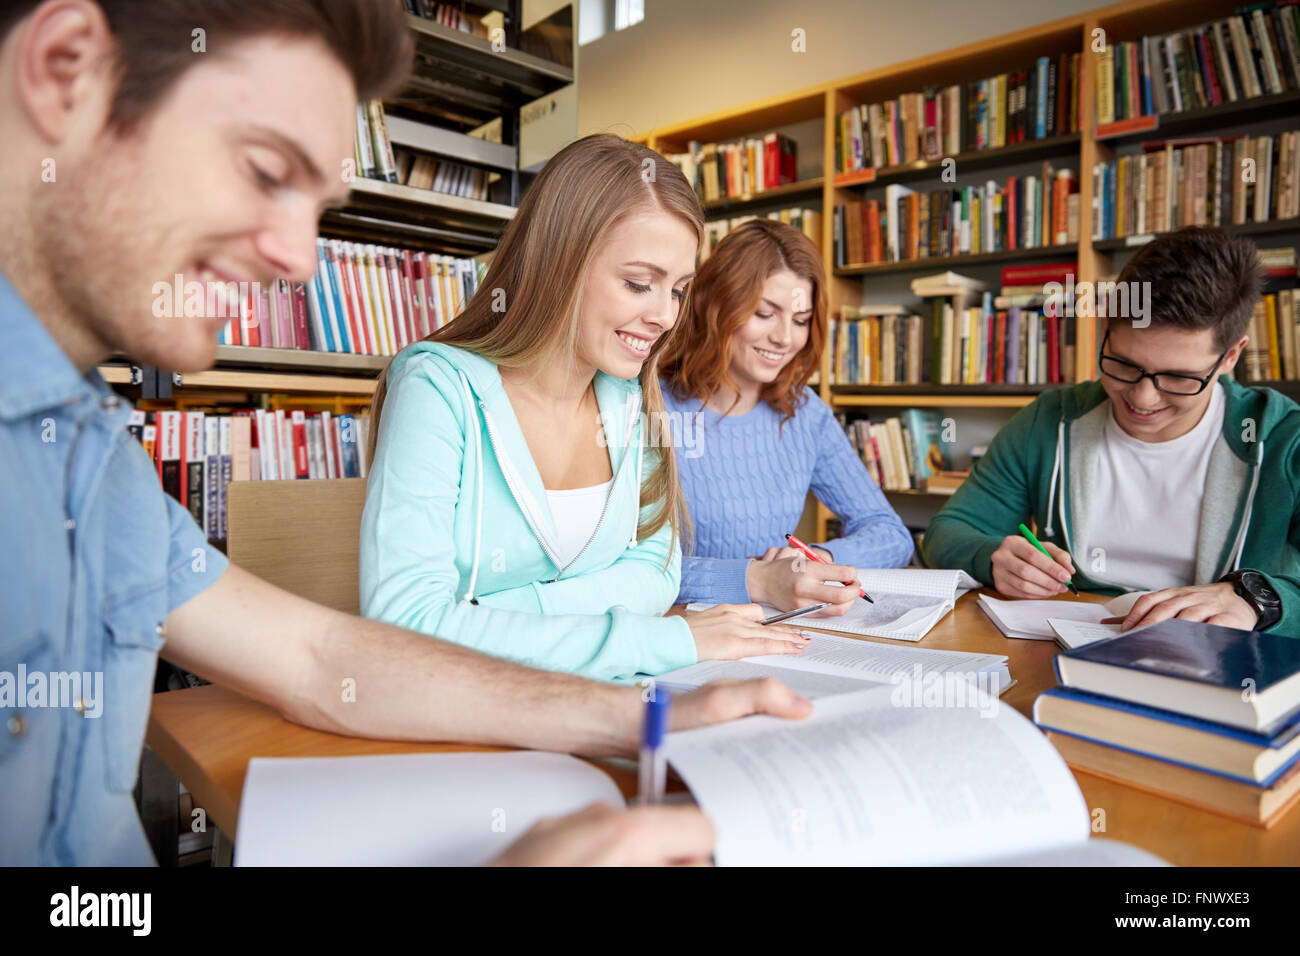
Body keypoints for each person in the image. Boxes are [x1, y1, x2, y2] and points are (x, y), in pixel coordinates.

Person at [0, 0, 810, 867]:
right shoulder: (444, 384)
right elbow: (403, 623)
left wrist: (643, 717)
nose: (300, 259)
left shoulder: (92, 453)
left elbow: (320, 658)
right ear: (64, 70)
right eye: (265, 169)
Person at [359, 135, 809, 680]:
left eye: (678, 291)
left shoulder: (631, 399)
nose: (665, 316)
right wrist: (657, 640)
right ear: (559, 261)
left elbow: (654, 574)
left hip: (593, 697)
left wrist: (485, 619)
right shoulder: (437, 387)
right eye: (639, 283)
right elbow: (405, 627)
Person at [923, 226, 1300, 636]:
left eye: (1177, 377)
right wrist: (991, 556)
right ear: (1106, 330)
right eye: (1124, 364)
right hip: (1063, 651)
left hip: (1223, 670)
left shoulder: (1283, 438)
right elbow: (946, 534)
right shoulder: (1051, 419)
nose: (1143, 398)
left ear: (1230, 357)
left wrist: (1256, 599)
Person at [657, 219, 914, 614]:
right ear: (715, 305)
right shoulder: (654, 406)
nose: (784, 338)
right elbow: (624, 569)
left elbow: (891, 534)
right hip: (680, 632)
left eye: (799, 320)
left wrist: (814, 559)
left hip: (778, 631)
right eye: (764, 313)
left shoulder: (804, 413)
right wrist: (756, 579)